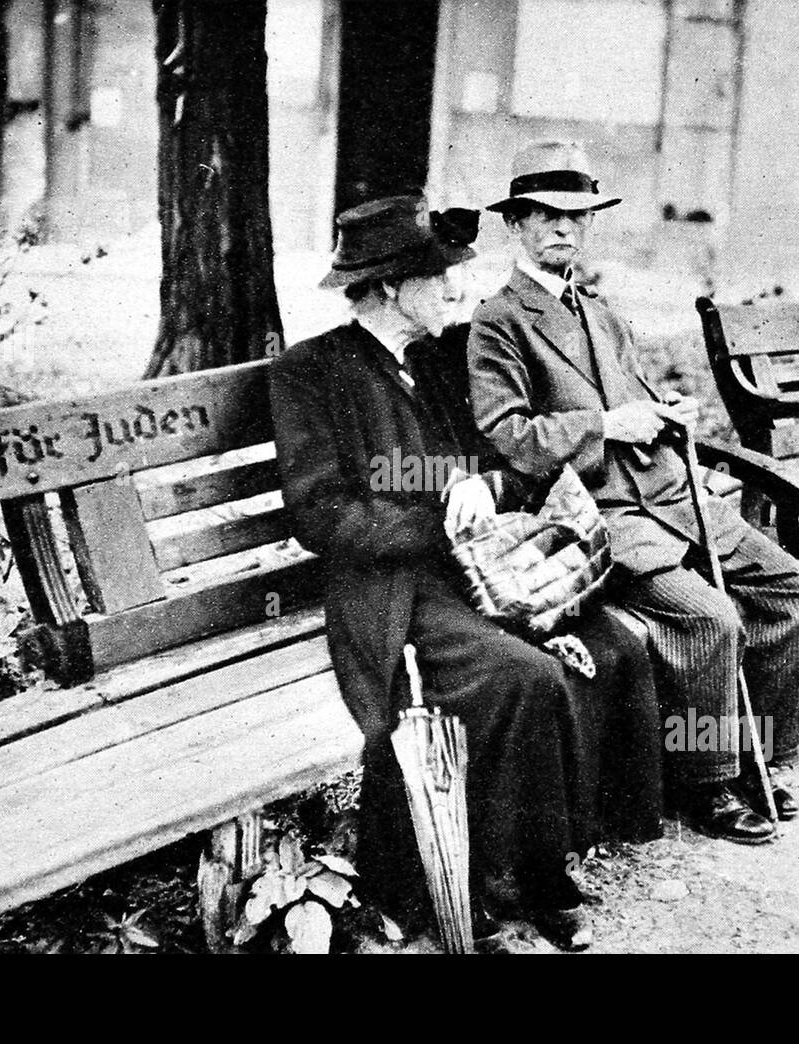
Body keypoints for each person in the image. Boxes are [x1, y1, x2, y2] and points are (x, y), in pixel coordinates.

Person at [269, 194, 665, 950]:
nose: (457, 289)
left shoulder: (439, 360)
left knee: (612, 646)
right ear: (390, 286)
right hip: (390, 594)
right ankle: (491, 882)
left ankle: (538, 862)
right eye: (441, 275)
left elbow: (504, 468)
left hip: (483, 572)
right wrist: (432, 522)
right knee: (522, 675)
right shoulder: (310, 373)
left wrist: (486, 488)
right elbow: (321, 516)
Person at [468, 142, 799, 844]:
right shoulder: (500, 321)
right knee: (710, 619)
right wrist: (605, 425)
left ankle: (759, 756)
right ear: (515, 226)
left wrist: (664, 414)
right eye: (543, 215)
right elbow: (505, 437)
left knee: (798, 597)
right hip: (599, 514)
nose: (562, 229)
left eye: (576, 216)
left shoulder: (602, 312)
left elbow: (637, 398)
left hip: (673, 495)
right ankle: (708, 783)